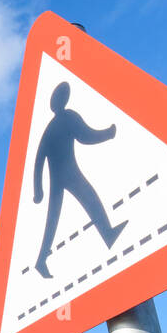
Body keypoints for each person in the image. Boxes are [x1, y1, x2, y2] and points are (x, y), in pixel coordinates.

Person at [32, 81, 128, 278]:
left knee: (54, 218)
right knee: (86, 201)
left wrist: (38, 190)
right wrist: (108, 134)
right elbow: (86, 136)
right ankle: (107, 234)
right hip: (69, 174)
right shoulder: (67, 118)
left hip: (60, 177)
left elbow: (38, 160)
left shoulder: (52, 126)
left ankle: (41, 260)